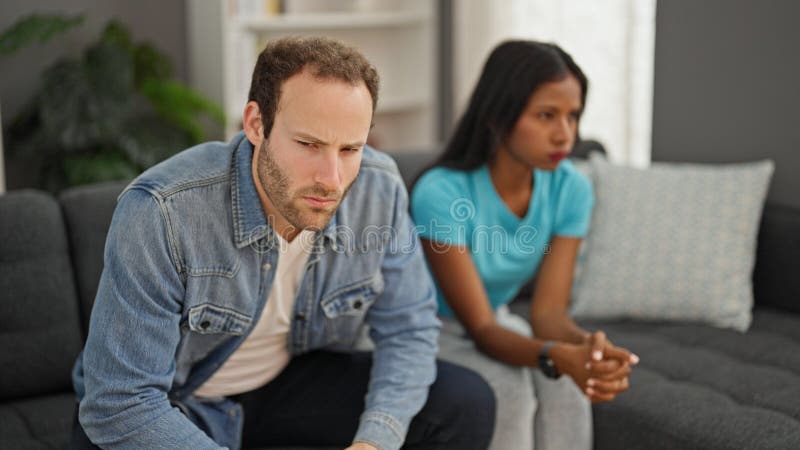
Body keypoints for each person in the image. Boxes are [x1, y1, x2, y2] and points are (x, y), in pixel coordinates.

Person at [69, 36, 495, 450]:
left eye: (350, 149)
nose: (332, 179)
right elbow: (120, 403)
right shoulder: (162, 211)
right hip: (177, 402)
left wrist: (374, 442)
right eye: (309, 144)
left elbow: (408, 330)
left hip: (285, 383)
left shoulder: (378, 188)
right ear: (256, 124)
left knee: (465, 403)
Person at [410, 40, 640, 450]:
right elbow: (479, 329)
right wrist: (556, 354)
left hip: (495, 320)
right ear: (498, 116)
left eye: (573, 116)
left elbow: (548, 312)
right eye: (546, 115)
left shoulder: (571, 188)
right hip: (421, 328)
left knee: (567, 386)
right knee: (507, 390)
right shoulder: (441, 193)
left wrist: (585, 347)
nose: (565, 134)